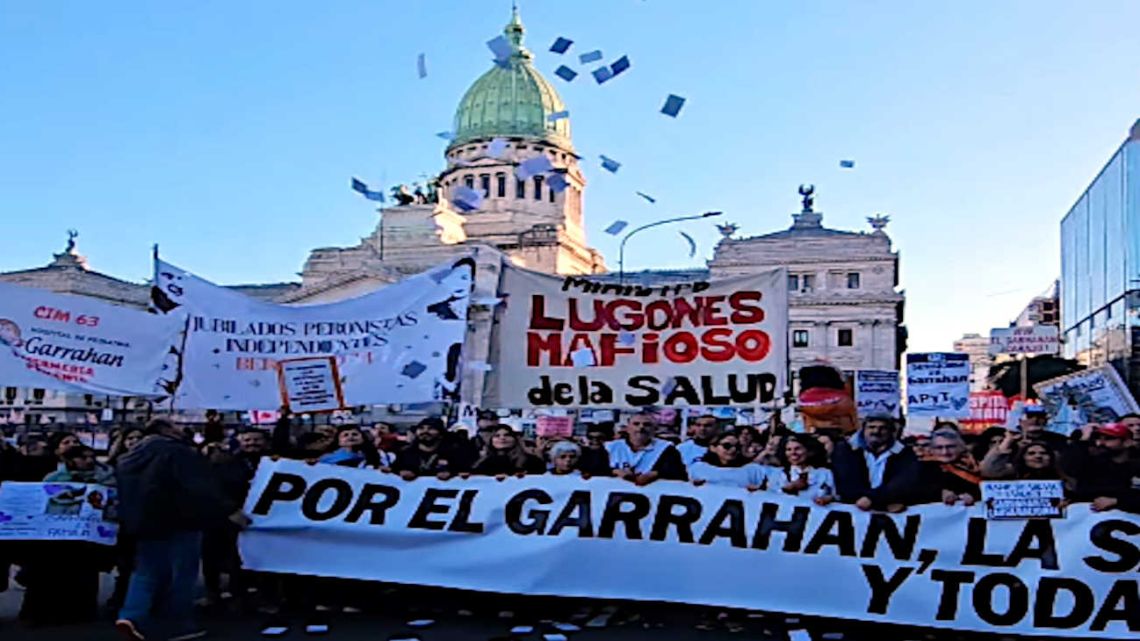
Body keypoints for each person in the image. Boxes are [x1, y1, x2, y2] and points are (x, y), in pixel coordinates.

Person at [114, 419, 250, 641]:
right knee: (182, 574)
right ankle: (177, 624)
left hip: (143, 523)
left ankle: (132, 616)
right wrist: (230, 510)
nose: (182, 429)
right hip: (180, 520)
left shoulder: (129, 458)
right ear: (165, 430)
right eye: (176, 425)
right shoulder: (177, 452)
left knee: (146, 572)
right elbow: (198, 486)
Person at [17, 444, 116, 625]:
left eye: (91, 457)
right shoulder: (54, 478)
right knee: (51, 575)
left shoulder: (104, 479)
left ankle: (79, 613)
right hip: (57, 538)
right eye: (82, 457)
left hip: (86, 539)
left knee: (83, 575)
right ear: (70, 460)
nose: (88, 461)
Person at [831, 414, 922, 511]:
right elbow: (846, 481)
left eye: (883, 428)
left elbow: (902, 482)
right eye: (871, 427)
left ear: (891, 432)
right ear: (863, 430)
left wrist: (873, 499)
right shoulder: (846, 450)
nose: (876, 431)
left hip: (890, 510)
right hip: (854, 509)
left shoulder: (905, 453)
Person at [1069, 422, 1139, 513]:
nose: (1100, 443)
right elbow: (1070, 469)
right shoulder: (1092, 466)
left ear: (1127, 442)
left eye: (1109, 438)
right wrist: (1083, 440)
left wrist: (1116, 501)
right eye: (1098, 438)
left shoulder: (1136, 467)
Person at [606, 412, 687, 485]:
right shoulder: (610, 447)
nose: (641, 427)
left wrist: (655, 474)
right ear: (627, 428)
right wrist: (615, 471)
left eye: (647, 424)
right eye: (636, 424)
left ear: (655, 429)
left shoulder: (666, 448)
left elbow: (678, 473)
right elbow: (597, 469)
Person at [390, 417, 472, 480]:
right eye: (421, 428)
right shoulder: (405, 452)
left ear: (441, 434)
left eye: (431, 428)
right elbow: (392, 471)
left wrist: (453, 475)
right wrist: (399, 472)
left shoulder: (454, 453)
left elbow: (464, 471)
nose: (425, 431)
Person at [916, 429, 982, 506]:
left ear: (961, 447)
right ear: (932, 449)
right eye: (939, 448)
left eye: (950, 447)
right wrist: (939, 493)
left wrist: (973, 496)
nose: (945, 452)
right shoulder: (921, 467)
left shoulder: (973, 465)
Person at [765, 434, 836, 505]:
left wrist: (827, 500)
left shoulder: (824, 473)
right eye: (789, 449)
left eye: (797, 449)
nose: (793, 453)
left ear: (809, 451)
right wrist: (789, 488)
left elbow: (834, 496)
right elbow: (768, 498)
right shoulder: (777, 473)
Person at [688, 431, 768, 489]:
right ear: (713, 448)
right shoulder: (697, 468)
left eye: (737, 446)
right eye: (727, 446)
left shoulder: (753, 470)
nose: (733, 449)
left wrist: (758, 491)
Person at [472, 425, 546, 477]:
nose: (502, 438)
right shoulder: (483, 462)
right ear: (491, 441)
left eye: (507, 435)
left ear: (515, 439)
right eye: (497, 436)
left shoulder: (531, 461)